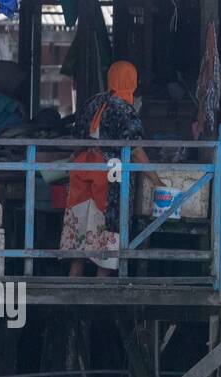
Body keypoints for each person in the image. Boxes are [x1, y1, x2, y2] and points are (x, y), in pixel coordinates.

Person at [60, 61, 159, 277]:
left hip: (82, 171)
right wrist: (157, 179)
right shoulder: (124, 108)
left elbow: (77, 136)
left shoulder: (93, 102)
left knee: (81, 227)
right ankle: (99, 290)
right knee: (106, 228)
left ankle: (71, 288)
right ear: (131, 82)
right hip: (109, 177)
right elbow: (134, 149)